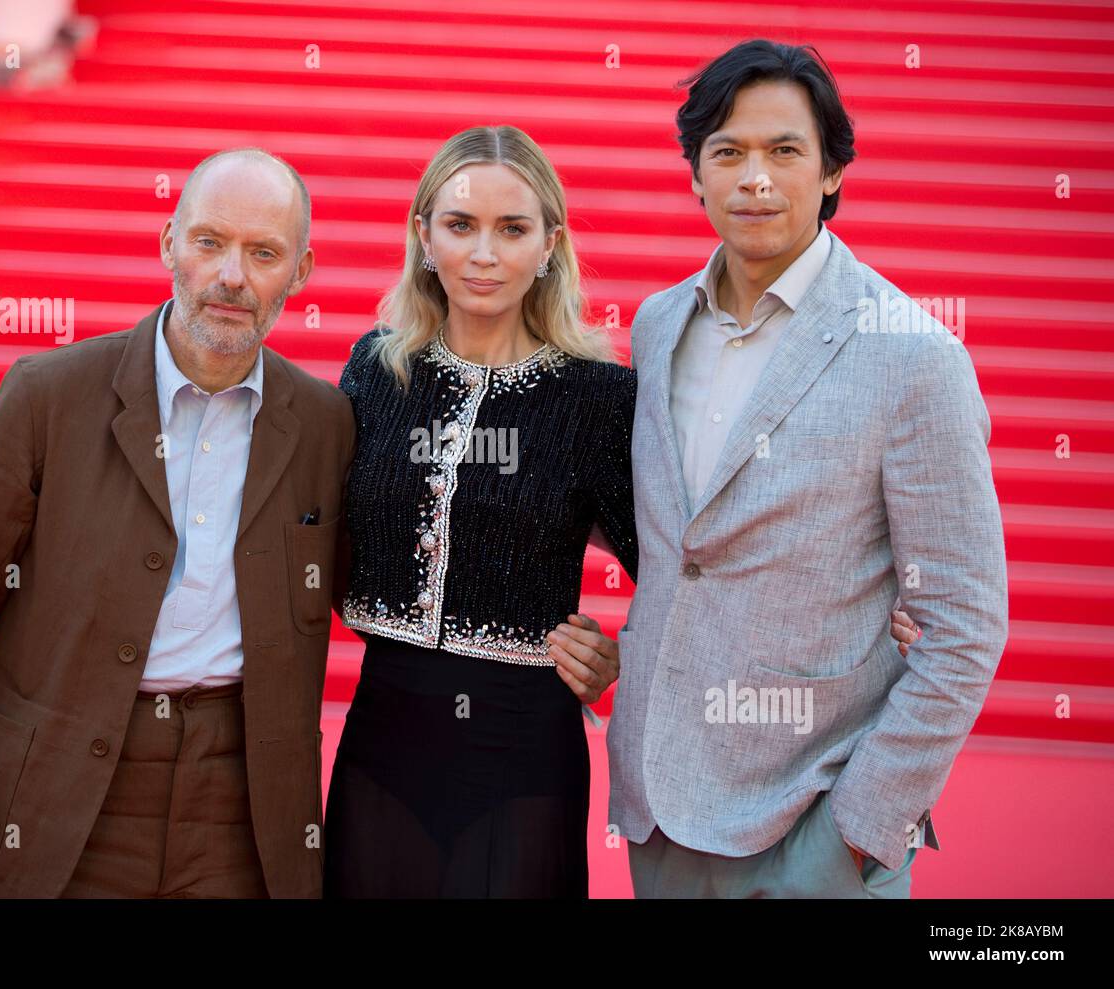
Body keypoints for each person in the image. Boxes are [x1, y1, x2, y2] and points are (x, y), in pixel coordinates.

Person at [321, 124, 922, 898]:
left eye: (513, 229)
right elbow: (314, 527)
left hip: (522, 753)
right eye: (460, 225)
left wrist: (622, 657)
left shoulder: (598, 396)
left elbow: (685, 564)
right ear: (424, 236)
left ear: (549, 246)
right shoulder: (375, 370)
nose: (483, 253)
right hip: (382, 742)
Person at [0, 148, 354, 898]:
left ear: (299, 273)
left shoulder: (327, 425)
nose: (232, 275)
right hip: (61, 799)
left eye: (263, 252)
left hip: (245, 810)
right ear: (169, 242)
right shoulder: (46, 398)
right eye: (209, 241)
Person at [609, 40, 1009, 899]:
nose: (756, 177)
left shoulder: (914, 357)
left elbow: (964, 622)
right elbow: (676, 540)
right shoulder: (655, 325)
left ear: (830, 173)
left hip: (813, 830)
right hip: (660, 815)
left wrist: (861, 829)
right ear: (696, 176)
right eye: (729, 152)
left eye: (785, 151)